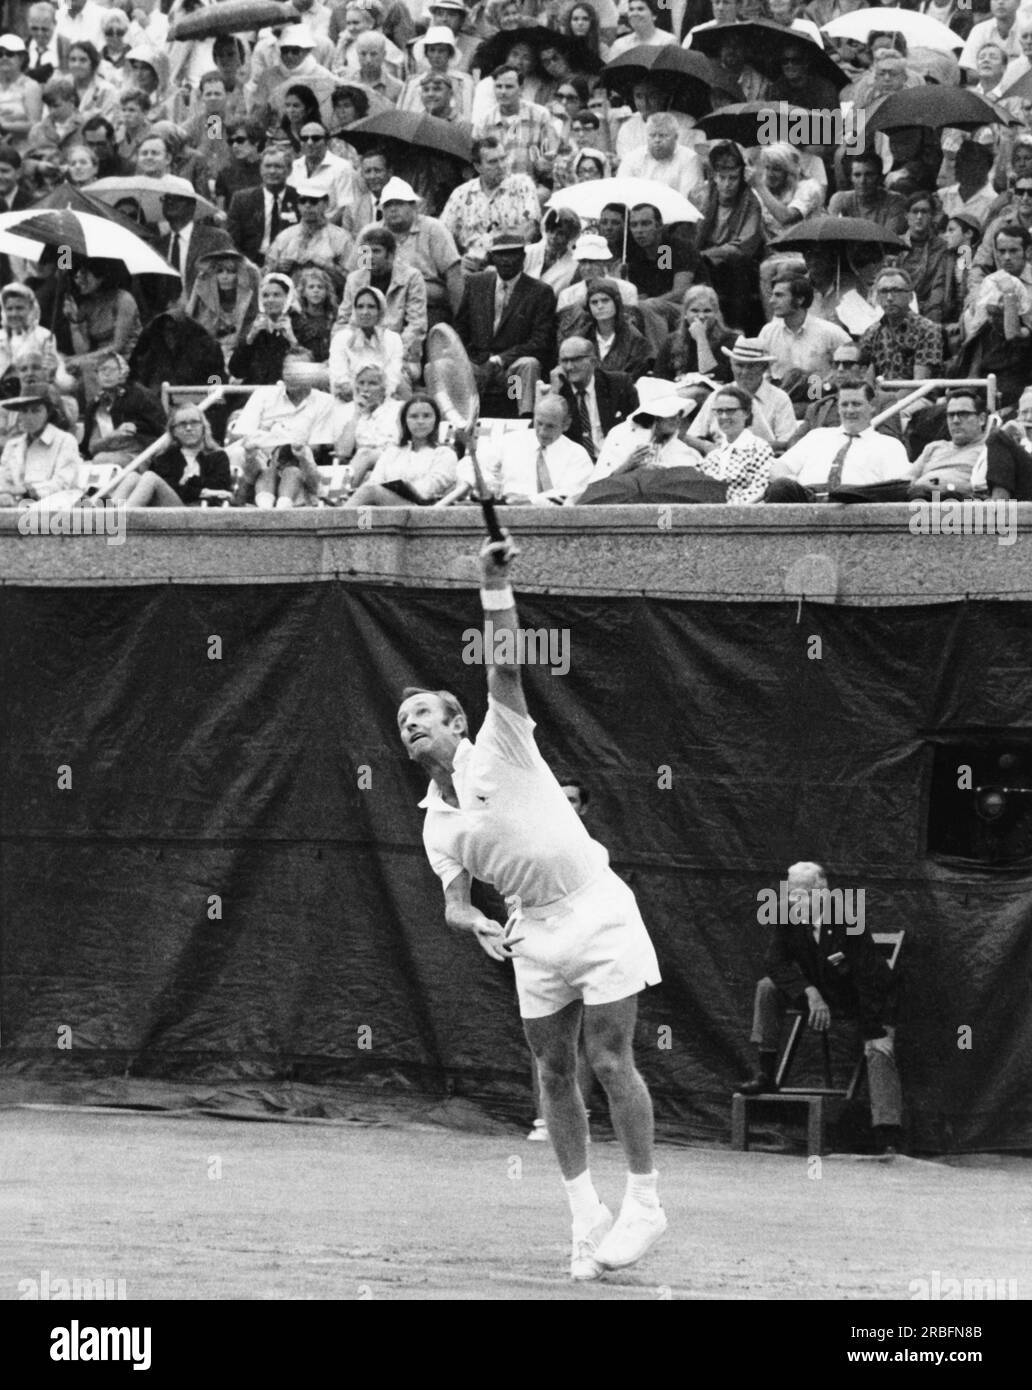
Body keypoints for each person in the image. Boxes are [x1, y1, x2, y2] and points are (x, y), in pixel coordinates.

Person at [398, 537, 665, 1280]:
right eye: (402, 722)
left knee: (609, 1058)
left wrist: (492, 585)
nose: (411, 723)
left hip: (597, 908)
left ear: (456, 722)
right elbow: (453, 903)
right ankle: (587, 1216)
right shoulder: (433, 823)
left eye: (424, 712)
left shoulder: (502, 743)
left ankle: (643, 1202)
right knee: (553, 1074)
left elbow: (505, 662)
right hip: (532, 933)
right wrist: (474, 920)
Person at [737, 860, 903, 1155]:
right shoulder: (786, 915)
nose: (790, 898)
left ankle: (886, 1134)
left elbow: (869, 980)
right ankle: (766, 1075)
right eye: (788, 890)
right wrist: (810, 992)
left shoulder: (849, 919)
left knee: (878, 1048)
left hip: (862, 997)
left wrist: (871, 1030)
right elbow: (774, 962)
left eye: (798, 891)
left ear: (822, 893)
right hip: (818, 993)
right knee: (766, 987)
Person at [453, 228, 557, 417]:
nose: (507, 260)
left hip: (511, 370)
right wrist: (471, 359)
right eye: (501, 254)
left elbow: (540, 342)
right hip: (478, 366)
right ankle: (461, 425)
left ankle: (523, 419)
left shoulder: (540, 292)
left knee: (529, 365)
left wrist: (501, 360)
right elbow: (461, 328)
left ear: (523, 257)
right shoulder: (476, 283)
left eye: (513, 254)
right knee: (453, 368)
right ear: (492, 257)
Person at [767, 381, 912, 498]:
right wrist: (792, 480)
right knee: (781, 487)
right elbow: (779, 467)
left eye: (856, 404)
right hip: (809, 498)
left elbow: (898, 486)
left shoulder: (889, 445)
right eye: (844, 405)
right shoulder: (817, 436)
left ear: (872, 407)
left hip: (859, 502)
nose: (849, 411)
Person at [338, 222, 427, 382]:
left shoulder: (412, 277)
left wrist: (391, 351)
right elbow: (343, 321)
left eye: (376, 251)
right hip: (358, 351)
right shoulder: (354, 279)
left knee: (395, 379)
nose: (370, 256)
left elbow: (416, 325)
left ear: (391, 254)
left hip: (400, 355)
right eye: (366, 251)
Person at [693, 141, 765, 332]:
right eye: (722, 177)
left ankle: (735, 330)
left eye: (733, 178)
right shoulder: (699, 195)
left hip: (735, 264)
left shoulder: (751, 202)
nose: (727, 184)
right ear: (714, 176)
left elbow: (744, 247)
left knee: (737, 265)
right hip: (701, 258)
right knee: (667, 257)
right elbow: (684, 233)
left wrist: (708, 254)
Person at [106, 402, 233, 508]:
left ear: (203, 427)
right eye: (182, 424)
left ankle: (121, 523)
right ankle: (106, 521)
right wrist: (202, 490)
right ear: (174, 431)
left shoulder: (217, 455)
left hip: (198, 511)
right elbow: (171, 486)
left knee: (150, 477)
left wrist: (188, 482)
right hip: (168, 506)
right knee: (133, 477)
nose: (189, 428)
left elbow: (221, 487)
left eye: (194, 423)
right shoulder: (166, 456)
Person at [377, 176, 464, 329]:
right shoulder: (369, 234)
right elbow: (361, 274)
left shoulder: (435, 229)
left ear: (413, 206)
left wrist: (460, 323)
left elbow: (454, 276)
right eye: (388, 205)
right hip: (383, 306)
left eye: (399, 203)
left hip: (429, 307)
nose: (393, 209)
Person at [439, 136, 540, 267]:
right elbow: (443, 234)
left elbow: (530, 227)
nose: (501, 166)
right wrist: (457, 260)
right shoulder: (461, 195)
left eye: (503, 159)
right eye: (493, 162)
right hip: (471, 265)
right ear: (477, 167)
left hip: (511, 263)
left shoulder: (523, 186)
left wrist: (492, 252)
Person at [342, 392, 458, 506]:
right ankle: (356, 525)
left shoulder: (444, 454)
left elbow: (428, 490)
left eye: (426, 416)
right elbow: (376, 480)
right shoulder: (392, 452)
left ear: (436, 420)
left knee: (370, 491)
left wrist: (404, 487)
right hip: (385, 507)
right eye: (414, 416)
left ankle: (334, 521)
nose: (420, 421)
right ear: (405, 421)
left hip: (422, 511)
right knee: (365, 509)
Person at [688, 337, 797, 450]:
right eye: (739, 365)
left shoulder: (779, 398)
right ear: (731, 364)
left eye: (751, 366)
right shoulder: (717, 396)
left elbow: (787, 442)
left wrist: (745, 448)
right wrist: (709, 447)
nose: (744, 372)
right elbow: (692, 436)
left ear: (764, 368)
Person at [548, 336, 639, 462]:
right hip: (576, 464)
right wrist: (554, 393)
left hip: (615, 460)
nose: (569, 367)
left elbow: (639, 425)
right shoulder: (559, 391)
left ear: (594, 361)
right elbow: (540, 435)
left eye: (576, 359)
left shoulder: (619, 384)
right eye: (564, 360)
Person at [757, 274, 852, 394]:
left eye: (779, 295)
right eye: (772, 295)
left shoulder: (830, 332)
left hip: (819, 399)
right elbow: (761, 372)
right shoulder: (768, 333)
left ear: (799, 299)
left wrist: (828, 387)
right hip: (781, 402)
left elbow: (854, 362)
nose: (771, 301)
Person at [497, 393, 593, 504]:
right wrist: (491, 486)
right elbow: (483, 469)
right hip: (506, 514)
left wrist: (529, 501)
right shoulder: (509, 441)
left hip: (555, 518)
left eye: (550, 426)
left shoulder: (577, 455)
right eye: (539, 423)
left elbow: (570, 496)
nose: (542, 432)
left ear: (566, 424)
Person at [80, 349, 165, 469]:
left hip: (140, 455)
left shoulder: (140, 395)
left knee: (101, 460)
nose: (106, 374)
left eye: (111, 369)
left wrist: (137, 427)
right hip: (107, 455)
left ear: (122, 372)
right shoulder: (94, 405)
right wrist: (111, 436)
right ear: (96, 376)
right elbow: (91, 447)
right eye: (102, 370)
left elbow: (160, 428)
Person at [858, 266, 944, 382]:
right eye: (884, 292)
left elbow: (919, 383)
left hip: (916, 396)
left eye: (896, 291)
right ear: (877, 298)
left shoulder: (927, 330)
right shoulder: (872, 332)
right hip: (879, 395)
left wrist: (889, 399)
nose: (889, 298)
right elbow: (865, 377)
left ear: (910, 296)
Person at [265, 182, 354, 293]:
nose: (308, 206)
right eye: (303, 201)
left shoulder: (341, 238)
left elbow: (353, 279)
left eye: (313, 201)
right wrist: (278, 267)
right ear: (298, 205)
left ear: (326, 203)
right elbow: (265, 275)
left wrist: (325, 265)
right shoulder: (284, 237)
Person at [694, 384, 775, 503]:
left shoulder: (759, 448)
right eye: (719, 411)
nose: (724, 416)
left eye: (730, 411)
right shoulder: (713, 456)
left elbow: (760, 490)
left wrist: (726, 509)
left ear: (746, 413)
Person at [328, 283, 406, 400]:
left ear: (380, 310)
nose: (365, 312)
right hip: (348, 400)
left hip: (384, 400)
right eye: (360, 306)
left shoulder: (393, 339)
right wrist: (361, 396)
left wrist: (376, 396)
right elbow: (339, 379)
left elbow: (392, 379)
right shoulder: (341, 338)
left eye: (371, 307)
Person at [0, 392, 80, 505]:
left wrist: (26, 491)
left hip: (53, 508)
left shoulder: (65, 441)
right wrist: (6, 495)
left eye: (36, 411)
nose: (29, 417)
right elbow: (3, 479)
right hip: (17, 506)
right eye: (24, 411)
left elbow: (62, 483)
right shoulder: (13, 445)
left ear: (48, 413)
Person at [226, 147, 300, 268]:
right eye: (268, 166)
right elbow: (232, 241)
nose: (272, 171)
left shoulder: (298, 199)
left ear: (289, 170)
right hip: (250, 262)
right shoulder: (242, 199)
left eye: (278, 167)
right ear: (260, 169)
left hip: (287, 264)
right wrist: (247, 265)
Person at [187, 250, 261, 369]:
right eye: (219, 271)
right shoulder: (204, 306)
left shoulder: (250, 302)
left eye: (231, 272)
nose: (224, 277)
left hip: (240, 362)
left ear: (240, 275)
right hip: (210, 363)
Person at [228, 273, 305, 385]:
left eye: (276, 295)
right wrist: (250, 339)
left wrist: (293, 340)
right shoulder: (255, 326)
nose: (270, 300)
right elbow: (236, 371)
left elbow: (311, 369)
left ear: (288, 297)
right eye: (265, 295)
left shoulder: (301, 325)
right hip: (256, 392)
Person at [570, 277, 652, 380]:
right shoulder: (581, 337)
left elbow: (634, 375)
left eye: (605, 300)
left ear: (616, 303)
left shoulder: (635, 339)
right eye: (594, 302)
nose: (599, 306)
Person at [653, 285, 736, 385]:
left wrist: (701, 338)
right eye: (694, 311)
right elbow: (659, 381)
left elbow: (713, 381)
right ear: (685, 314)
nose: (701, 316)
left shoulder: (730, 340)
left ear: (716, 314)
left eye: (707, 311)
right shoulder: (671, 341)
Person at [616, 112, 702, 200]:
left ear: (676, 137)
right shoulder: (632, 159)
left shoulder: (689, 159)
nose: (657, 140)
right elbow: (622, 193)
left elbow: (687, 199)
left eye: (663, 136)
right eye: (652, 135)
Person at [828, 152, 907, 236]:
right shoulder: (840, 199)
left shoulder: (895, 201)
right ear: (850, 178)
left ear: (880, 177)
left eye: (869, 175)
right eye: (857, 175)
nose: (862, 181)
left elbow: (889, 239)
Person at [0, 34, 43, 151]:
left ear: (21, 58)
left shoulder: (30, 86)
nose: (4, 58)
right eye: (0, 54)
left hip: (21, 150)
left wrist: (4, 125)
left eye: (9, 54)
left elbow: (35, 125)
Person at [294, 265, 338, 363]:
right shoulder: (296, 318)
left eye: (320, 287)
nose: (316, 290)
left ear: (327, 292)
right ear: (303, 292)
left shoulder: (334, 317)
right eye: (311, 287)